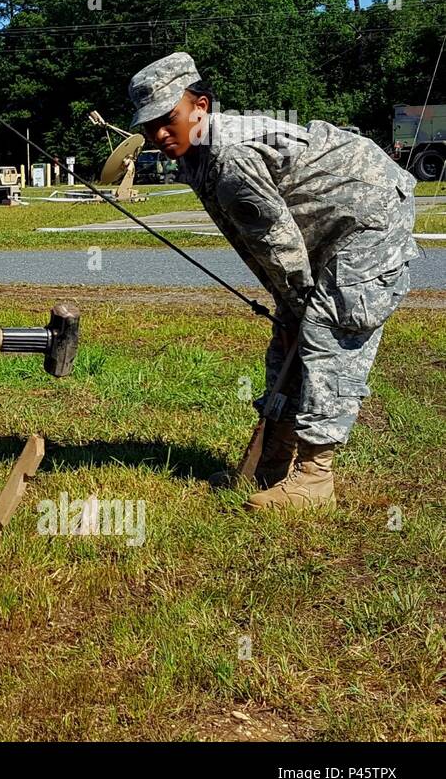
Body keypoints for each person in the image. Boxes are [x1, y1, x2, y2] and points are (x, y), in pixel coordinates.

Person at [128, 52, 420, 512]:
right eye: (149, 126)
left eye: (169, 119)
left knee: (330, 330)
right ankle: (272, 462)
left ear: (200, 106)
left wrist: (299, 302)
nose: (159, 134)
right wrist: (289, 306)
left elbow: (276, 244)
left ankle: (314, 478)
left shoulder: (229, 155)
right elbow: (254, 241)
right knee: (289, 331)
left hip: (369, 216)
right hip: (322, 225)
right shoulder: (194, 153)